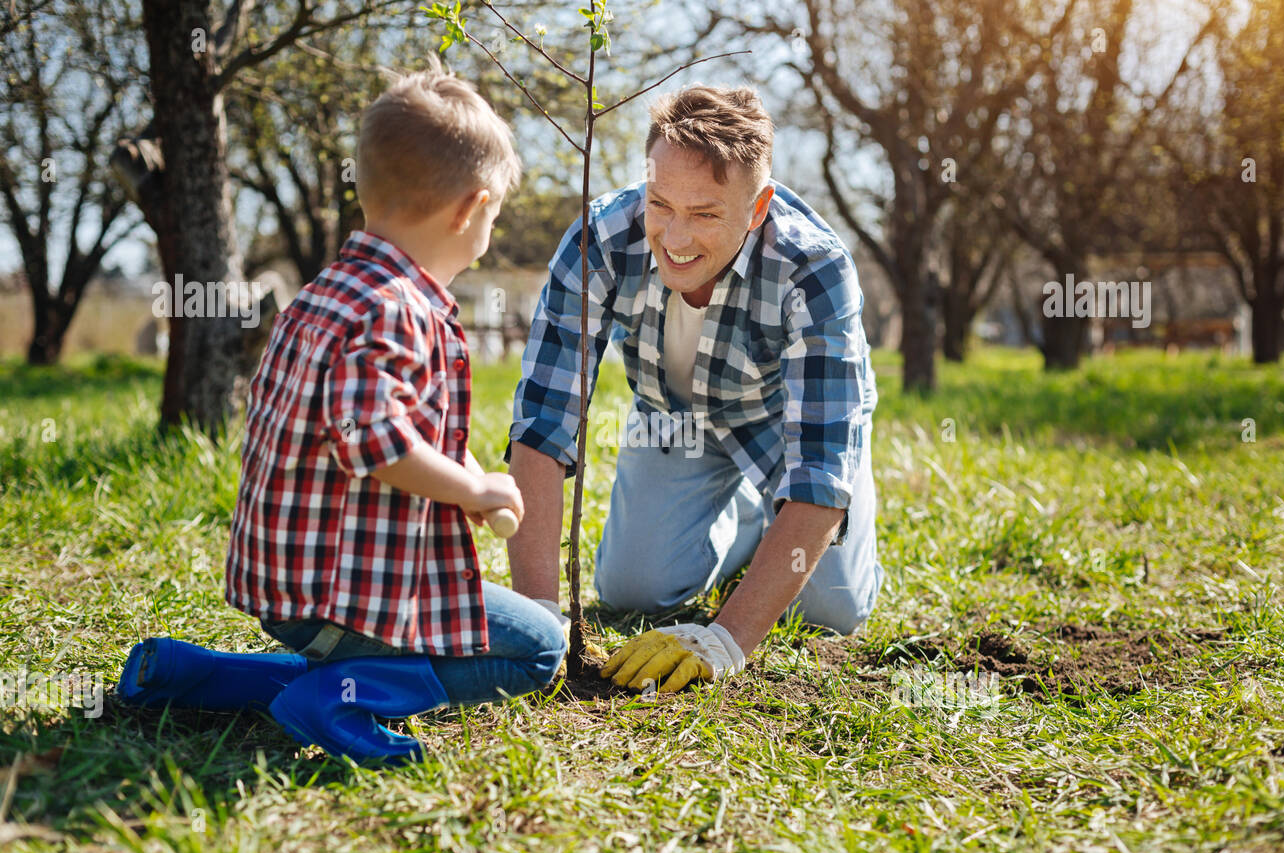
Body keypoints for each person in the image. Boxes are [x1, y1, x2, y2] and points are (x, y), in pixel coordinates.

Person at [117, 60, 567, 765]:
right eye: (496, 215)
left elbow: (395, 422)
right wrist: (475, 489)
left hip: (283, 586)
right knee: (539, 647)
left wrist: (466, 476)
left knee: (402, 643)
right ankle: (338, 699)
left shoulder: (323, 294)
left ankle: (196, 674)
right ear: (471, 209)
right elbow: (373, 439)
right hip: (340, 597)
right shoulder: (398, 309)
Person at [506, 85, 885, 695]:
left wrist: (725, 639)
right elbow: (544, 425)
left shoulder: (815, 268)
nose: (676, 238)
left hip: (780, 428)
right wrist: (537, 619)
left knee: (830, 611)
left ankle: (782, 519)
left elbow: (817, 467)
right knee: (633, 588)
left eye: (706, 213)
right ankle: (743, 522)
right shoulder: (599, 240)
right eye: (661, 204)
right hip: (670, 418)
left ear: (757, 208)